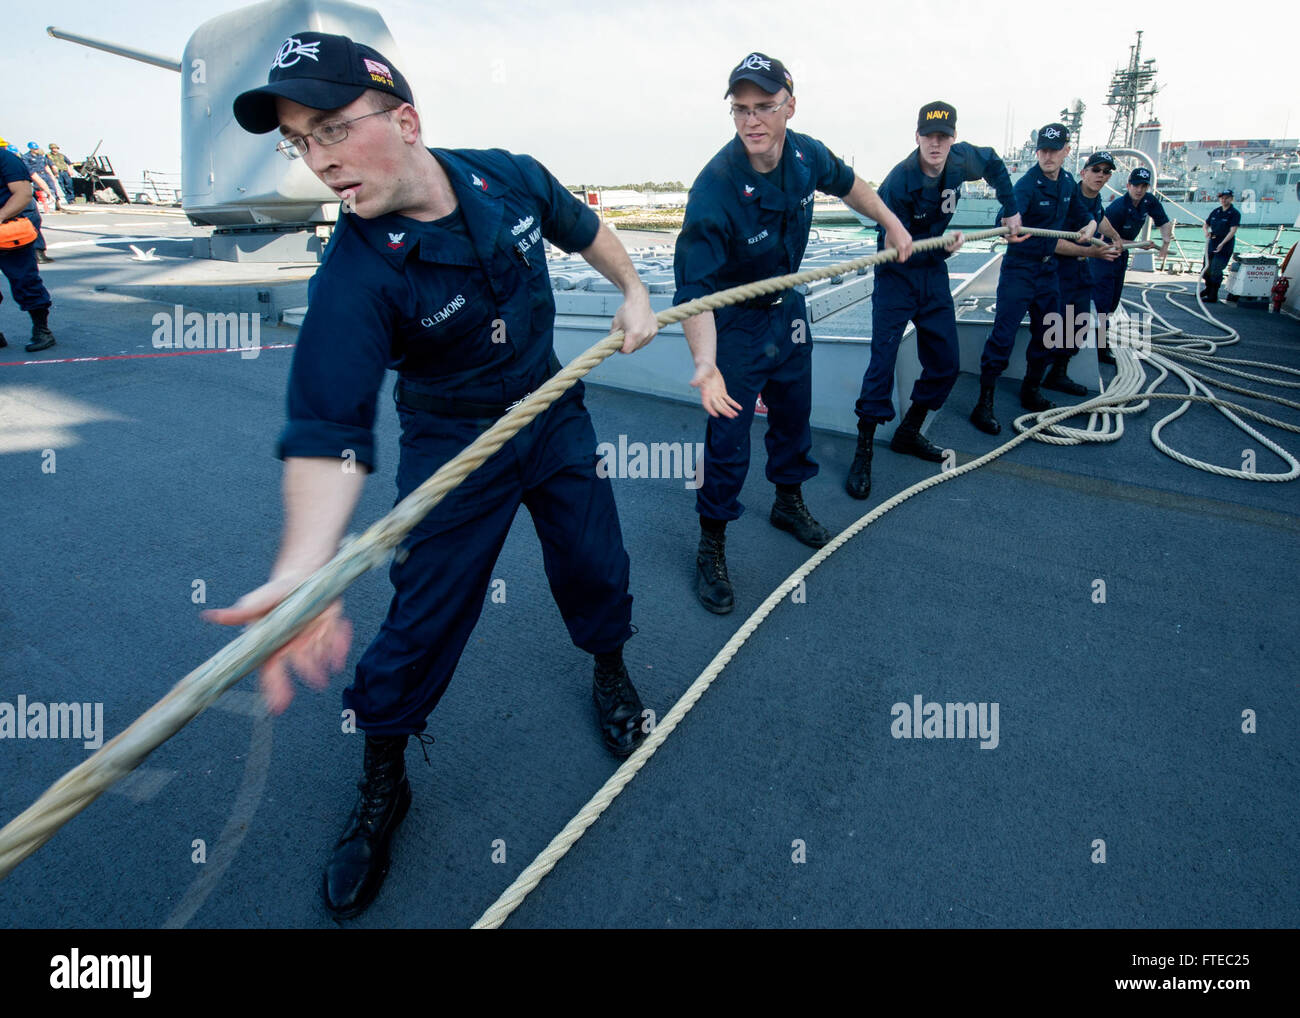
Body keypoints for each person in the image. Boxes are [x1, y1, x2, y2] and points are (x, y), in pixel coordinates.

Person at [207, 31, 659, 920]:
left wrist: (634, 291)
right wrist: (307, 564)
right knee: (426, 610)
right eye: (300, 142)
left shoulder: (508, 177)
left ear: (405, 120)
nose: (319, 161)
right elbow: (328, 422)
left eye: (332, 129)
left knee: (594, 560)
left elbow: (587, 228)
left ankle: (609, 667)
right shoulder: (355, 274)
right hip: (452, 440)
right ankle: (384, 778)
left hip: (551, 407)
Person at [675, 52, 912, 613]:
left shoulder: (806, 155)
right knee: (729, 441)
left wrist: (893, 224)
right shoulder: (714, 189)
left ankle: (787, 501)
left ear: (790, 106)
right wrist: (705, 365)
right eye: (740, 110)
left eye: (764, 107)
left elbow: (853, 186)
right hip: (734, 323)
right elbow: (694, 296)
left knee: (791, 415)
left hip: (789, 311)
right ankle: (712, 542)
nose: (751, 121)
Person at [846, 100, 1020, 500]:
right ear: (918, 137)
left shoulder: (961, 161)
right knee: (881, 365)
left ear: (953, 138)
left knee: (946, 364)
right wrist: (942, 245)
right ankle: (864, 449)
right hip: (897, 275)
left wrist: (1011, 210)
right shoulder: (899, 181)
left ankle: (909, 432)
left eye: (943, 136)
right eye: (929, 136)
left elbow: (994, 163)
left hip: (933, 274)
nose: (936, 144)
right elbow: (895, 242)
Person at [971, 123, 1096, 434]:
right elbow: (1008, 213)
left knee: (1048, 333)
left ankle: (1031, 390)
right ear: (1037, 151)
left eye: (1054, 150)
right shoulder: (1027, 184)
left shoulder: (1067, 182)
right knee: (1003, 336)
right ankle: (983, 403)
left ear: (1067, 152)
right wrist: (1009, 229)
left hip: (1048, 270)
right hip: (1020, 271)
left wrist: (1091, 228)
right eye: (1043, 150)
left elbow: (1085, 215)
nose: (1048, 156)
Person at [1051, 151, 1122, 375]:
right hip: (1056, 270)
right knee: (1053, 324)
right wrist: (1093, 253)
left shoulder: (1095, 199)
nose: (1101, 175)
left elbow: (1100, 218)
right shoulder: (1069, 198)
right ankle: (1038, 378)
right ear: (1084, 172)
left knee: (1080, 322)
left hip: (1078, 270)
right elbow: (1051, 242)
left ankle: (1058, 374)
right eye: (1096, 170)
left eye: (1106, 172)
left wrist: (1117, 237)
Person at [1094, 166, 1172, 320]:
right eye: (1136, 185)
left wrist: (1165, 244)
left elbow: (1164, 222)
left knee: (1114, 298)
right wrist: (1138, 243)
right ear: (1128, 186)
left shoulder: (1149, 201)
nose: (1139, 190)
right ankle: (1099, 339)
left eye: (1143, 186)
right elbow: (1109, 239)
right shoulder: (1118, 208)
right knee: (1102, 299)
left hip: (1122, 254)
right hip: (1104, 253)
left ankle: (1103, 334)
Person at [0, 142, 57, 352]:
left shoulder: (6, 159)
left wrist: (1, 216)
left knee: (25, 280)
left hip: (7, 232)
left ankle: (42, 331)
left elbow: (23, 194)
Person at [1201, 188, 1241, 303]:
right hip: (1212, 242)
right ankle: (1208, 289)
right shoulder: (1216, 211)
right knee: (1206, 268)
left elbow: (1233, 230)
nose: (1223, 200)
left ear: (1231, 199)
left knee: (1216, 269)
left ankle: (1213, 295)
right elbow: (1206, 224)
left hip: (1224, 244)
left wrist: (1222, 244)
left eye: (1226, 198)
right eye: (1222, 198)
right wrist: (1206, 232)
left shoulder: (1234, 213)